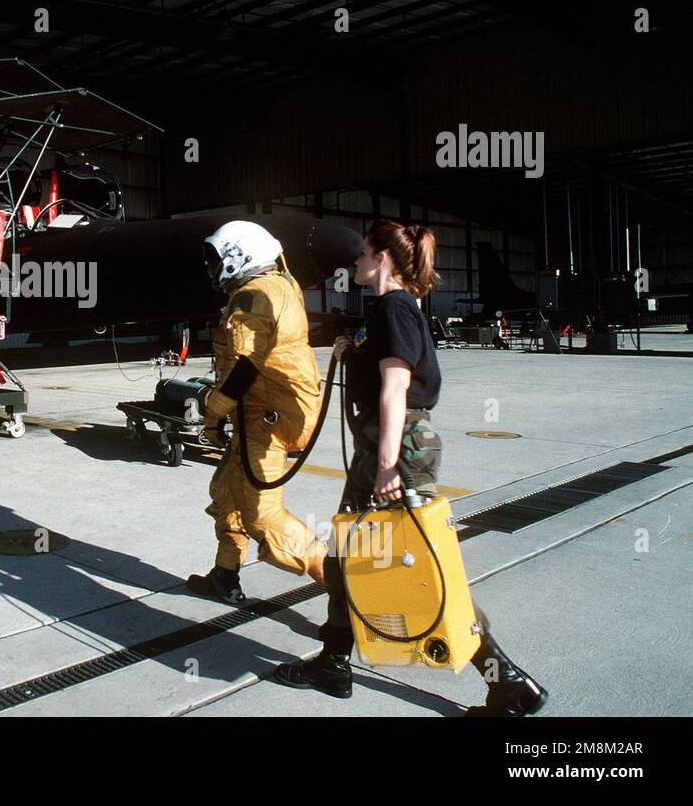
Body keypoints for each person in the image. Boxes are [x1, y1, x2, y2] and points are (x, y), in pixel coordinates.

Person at [273, 219, 548, 716]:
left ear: (381, 259)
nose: (354, 262)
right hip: (387, 445)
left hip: (396, 449)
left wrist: (385, 466)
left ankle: (507, 682)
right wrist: (350, 352)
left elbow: (397, 388)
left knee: (427, 570)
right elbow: (387, 368)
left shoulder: (395, 307)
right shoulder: (390, 310)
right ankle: (334, 663)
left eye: (362, 254)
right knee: (347, 559)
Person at [187, 220, 329, 606]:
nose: (213, 270)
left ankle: (339, 578)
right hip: (264, 412)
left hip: (267, 419)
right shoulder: (280, 283)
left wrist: (213, 410)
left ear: (240, 257)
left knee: (262, 516)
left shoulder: (252, 296)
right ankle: (224, 574)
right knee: (228, 492)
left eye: (218, 260)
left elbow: (246, 364)